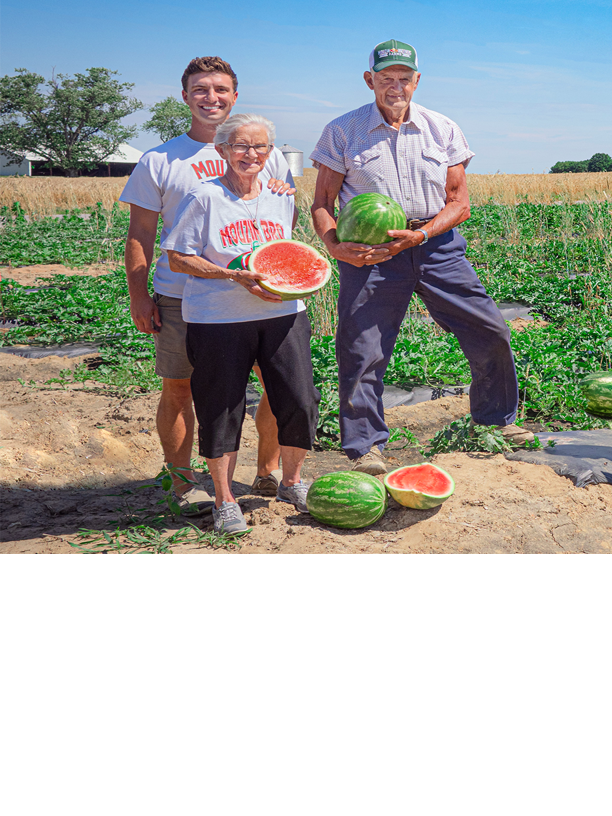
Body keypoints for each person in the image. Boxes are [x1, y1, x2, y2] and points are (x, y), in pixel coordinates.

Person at [310, 40, 531, 477]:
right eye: (386, 77)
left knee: (490, 329)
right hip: (370, 252)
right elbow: (321, 202)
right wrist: (335, 246)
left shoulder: (442, 128)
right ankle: (364, 445)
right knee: (361, 349)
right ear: (369, 79)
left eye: (404, 77)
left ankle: (496, 421)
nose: (396, 86)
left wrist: (421, 235)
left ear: (417, 80)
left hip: (436, 244)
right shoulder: (342, 130)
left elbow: (459, 202)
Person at [119, 56, 296, 515]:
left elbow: (283, 218)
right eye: (200, 89)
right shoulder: (160, 158)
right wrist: (140, 295)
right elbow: (140, 236)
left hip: (262, 295)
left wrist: (281, 190)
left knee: (275, 386)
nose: (211, 97)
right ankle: (183, 484)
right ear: (185, 96)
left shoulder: (266, 150)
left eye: (220, 89)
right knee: (180, 389)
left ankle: (268, 471)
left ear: (235, 96)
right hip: (183, 297)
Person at [160, 114, 320, 535]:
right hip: (219, 319)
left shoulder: (281, 196)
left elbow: (284, 251)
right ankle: (225, 499)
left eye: (261, 147)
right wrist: (232, 275)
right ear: (222, 151)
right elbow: (179, 257)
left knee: (299, 399)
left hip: (283, 315)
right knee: (222, 408)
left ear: (272, 153)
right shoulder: (203, 197)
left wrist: (284, 280)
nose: (252, 154)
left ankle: (291, 482)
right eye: (242, 146)